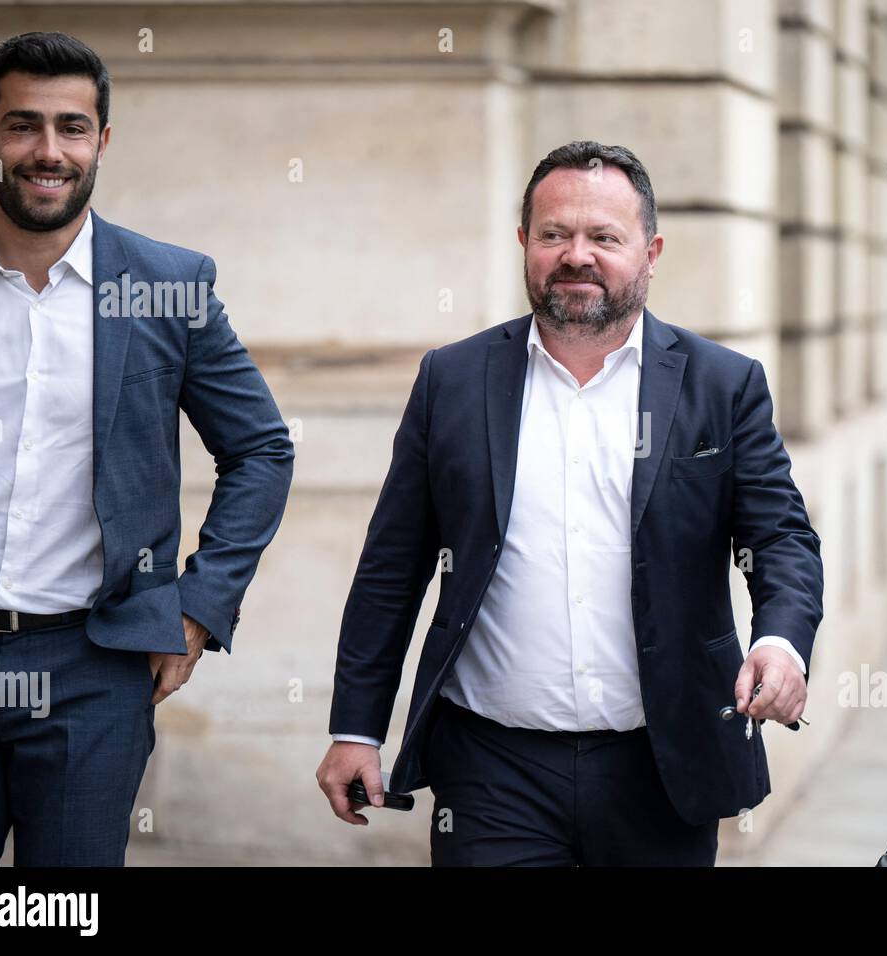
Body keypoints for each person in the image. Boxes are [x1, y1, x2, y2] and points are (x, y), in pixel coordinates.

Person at [317, 140, 823, 866]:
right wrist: (356, 727)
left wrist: (780, 642)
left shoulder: (722, 384)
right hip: (491, 771)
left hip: (663, 763)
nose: (576, 255)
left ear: (650, 252)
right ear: (524, 242)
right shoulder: (452, 380)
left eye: (603, 238)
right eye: (554, 234)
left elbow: (780, 538)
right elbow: (391, 567)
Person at [0, 32, 294, 865]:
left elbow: (260, 451)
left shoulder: (168, 286)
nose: (48, 151)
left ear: (101, 141)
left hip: (95, 665)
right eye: (23, 125)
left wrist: (198, 608)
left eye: (72, 127)